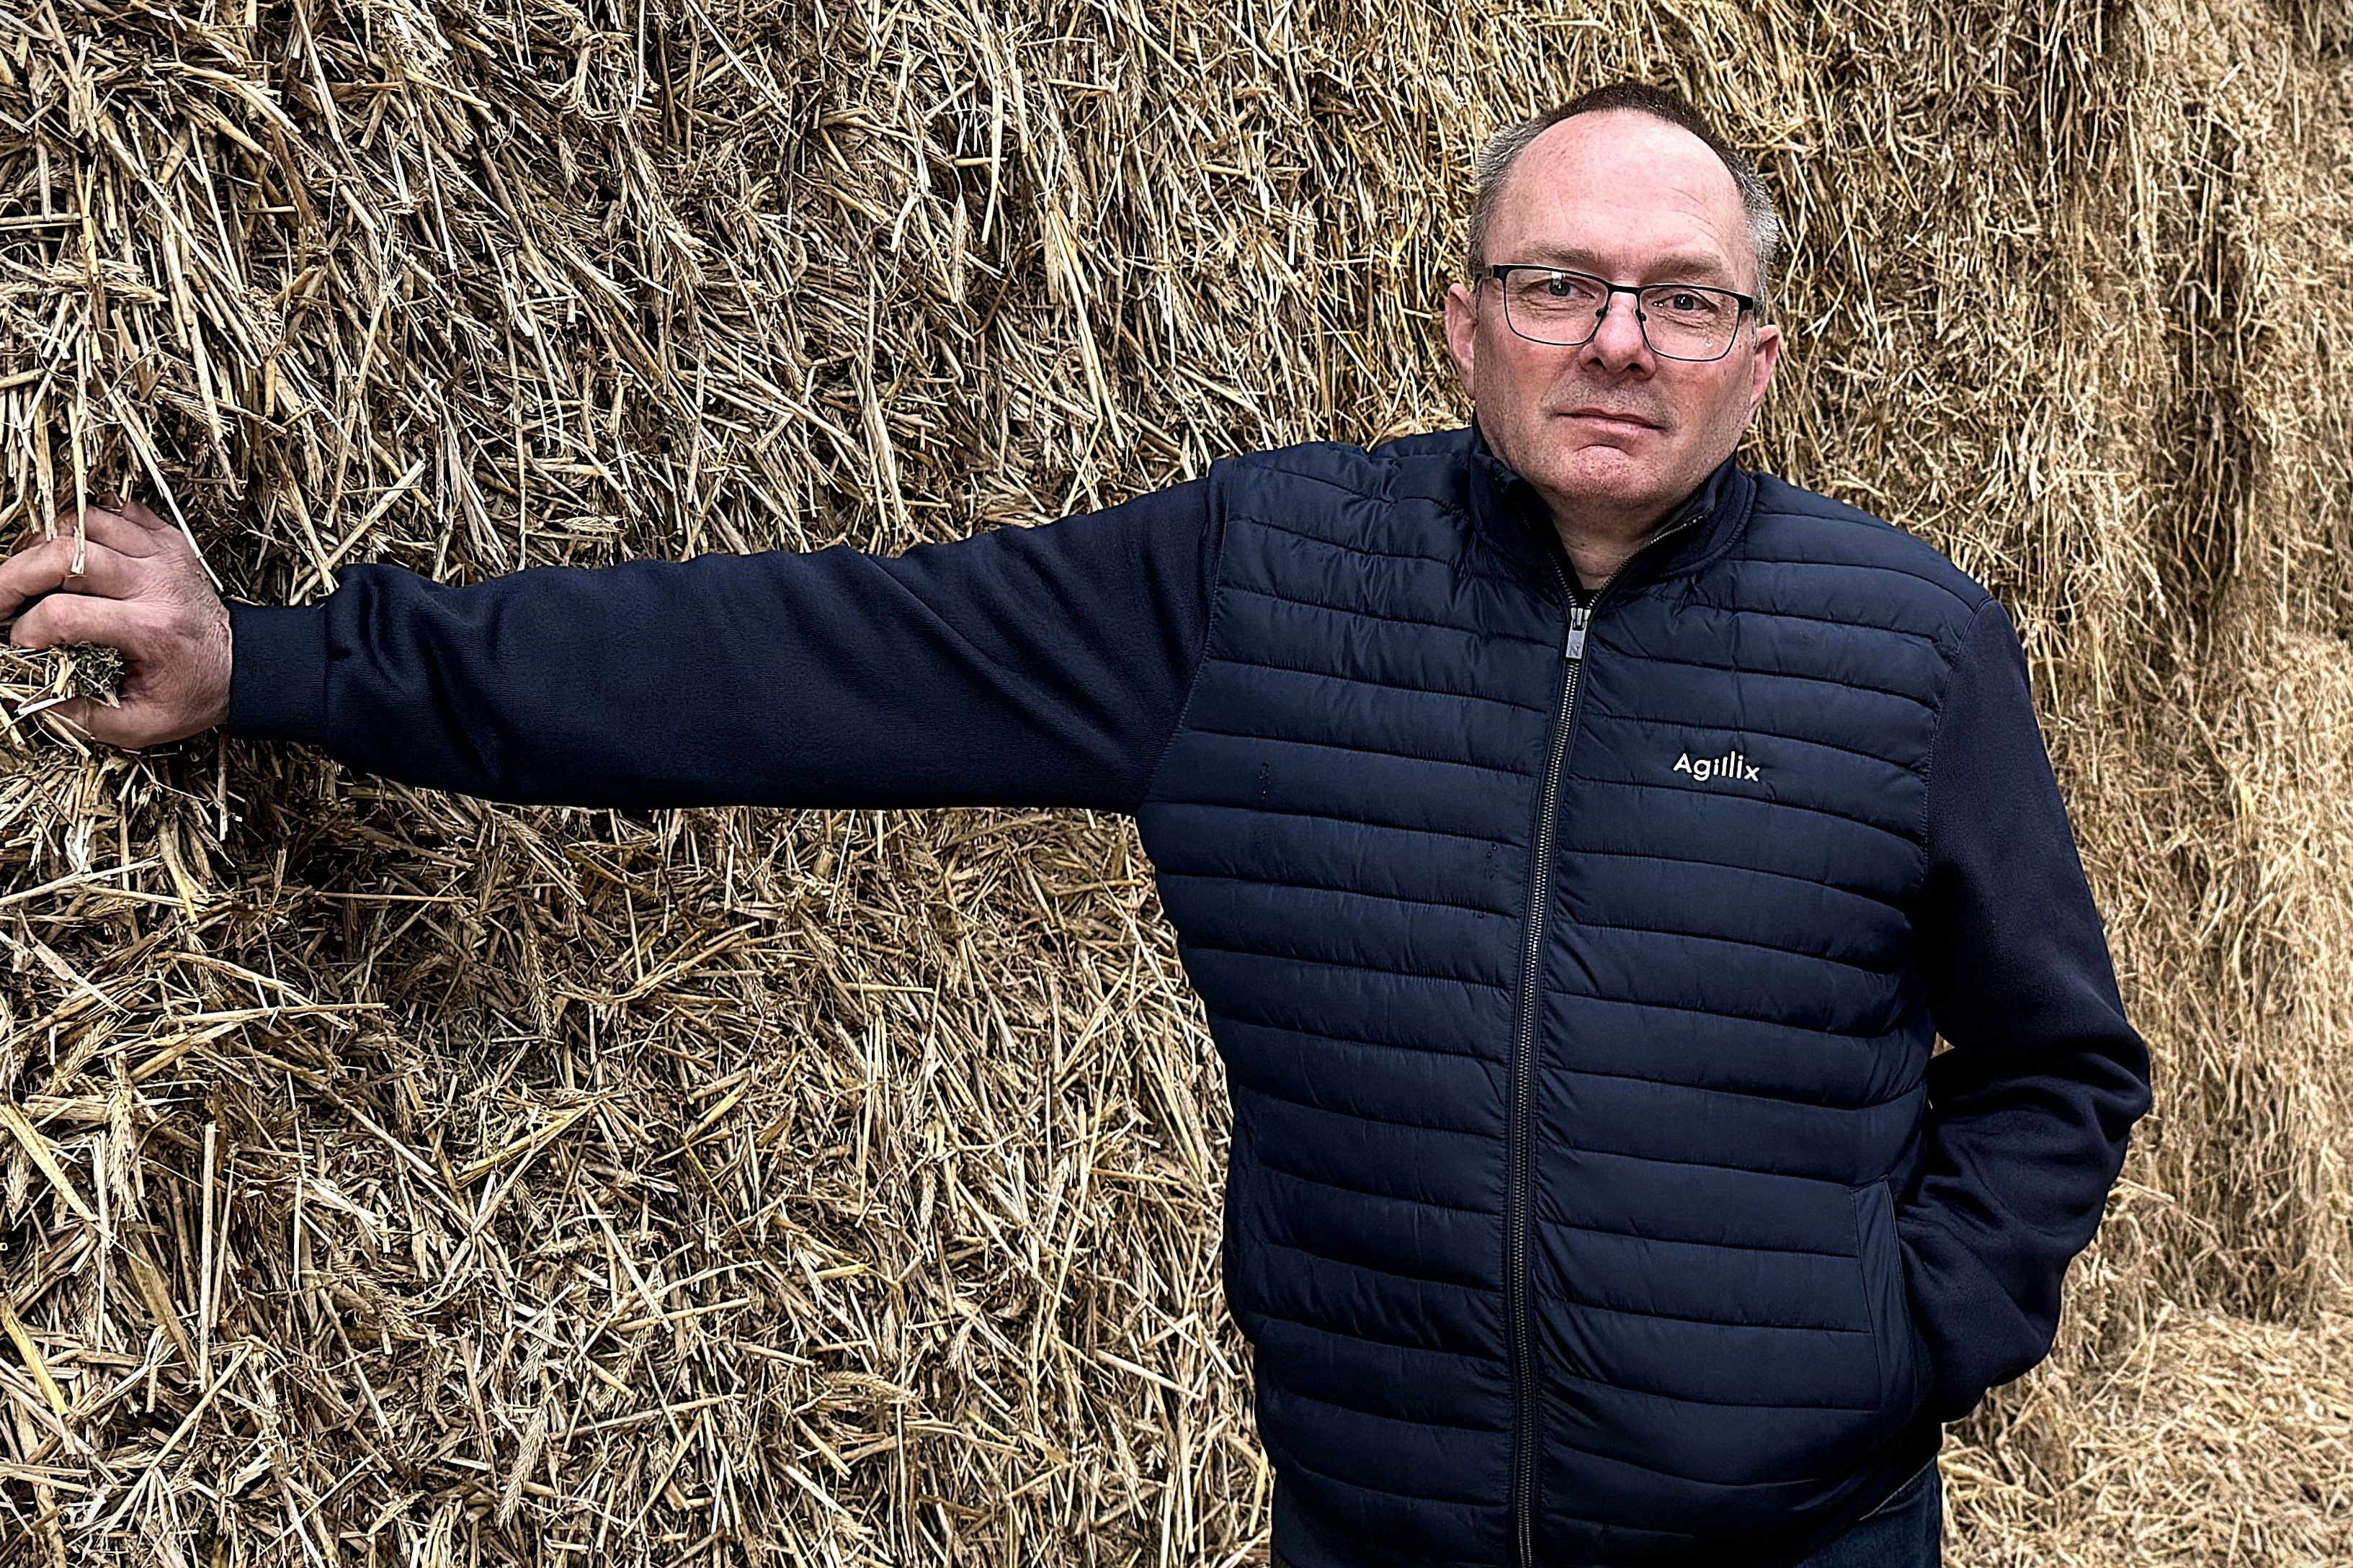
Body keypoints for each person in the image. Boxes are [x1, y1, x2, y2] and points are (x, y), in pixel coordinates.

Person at [0, 83, 2149, 1568]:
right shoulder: (1257, 580)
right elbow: (789, 661)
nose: (1616, 337)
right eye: (1556, 282)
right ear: (1457, 324)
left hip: (1801, 1534)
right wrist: (287, 663)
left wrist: (1895, 1345)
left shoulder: (1907, 644)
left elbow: (2058, 1060)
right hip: (1375, 1523)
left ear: (1758, 355)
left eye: (1682, 296)